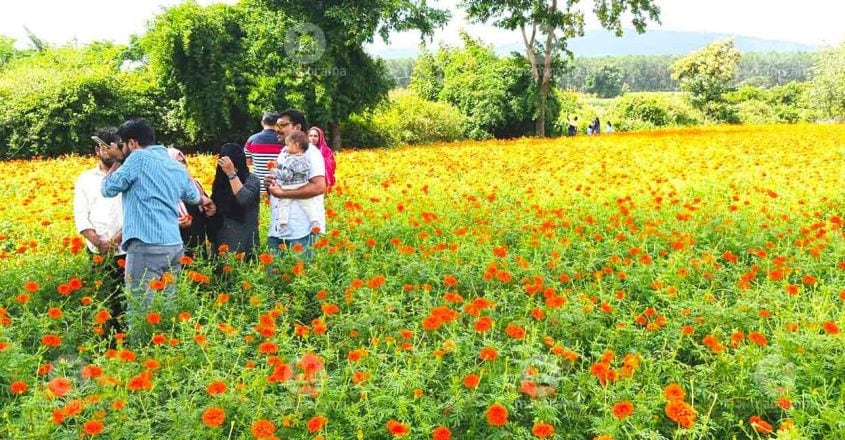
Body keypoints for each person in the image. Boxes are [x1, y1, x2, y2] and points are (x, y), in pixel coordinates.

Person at [101, 118, 215, 323]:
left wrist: (118, 161)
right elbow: (192, 196)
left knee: (140, 306)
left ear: (133, 143)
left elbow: (108, 189)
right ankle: (166, 348)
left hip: (146, 244)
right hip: (173, 244)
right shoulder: (175, 165)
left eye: (123, 144)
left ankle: (141, 351)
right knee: (168, 303)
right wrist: (204, 200)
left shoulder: (137, 159)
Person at [74, 128, 125, 337]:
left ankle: (125, 338)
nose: (108, 150)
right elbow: (80, 214)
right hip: (96, 251)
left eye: (113, 145)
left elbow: (132, 213)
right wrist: (98, 241)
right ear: (97, 150)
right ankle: (105, 340)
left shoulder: (125, 177)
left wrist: (115, 240)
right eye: (104, 146)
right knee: (102, 297)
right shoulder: (85, 179)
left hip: (124, 249)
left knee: (124, 298)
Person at [265, 109, 326, 255]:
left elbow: (318, 187)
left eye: (282, 125)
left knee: (301, 276)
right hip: (279, 227)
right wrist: (270, 185)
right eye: (276, 126)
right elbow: (282, 183)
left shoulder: (310, 153)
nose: (277, 130)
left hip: (301, 229)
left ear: (297, 128)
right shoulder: (285, 152)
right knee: (274, 275)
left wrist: (283, 193)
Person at [207, 143, 261, 259]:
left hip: (244, 240)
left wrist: (231, 174)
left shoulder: (252, 179)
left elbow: (243, 198)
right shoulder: (221, 182)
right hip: (222, 240)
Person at [271, 131, 322, 234]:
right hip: (302, 184)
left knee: (283, 204)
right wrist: (279, 165)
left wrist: (274, 170)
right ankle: (315, 221)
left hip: (289, 186)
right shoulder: (305, 158)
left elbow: (287, 175)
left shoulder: (290, 159)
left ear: (296, 145)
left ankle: (283, 225)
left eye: (287, 145)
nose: (286, 148)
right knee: (308, 205)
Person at [168, 148, 209, 259]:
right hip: (176, 242)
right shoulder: (164, 189)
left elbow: (206, 208)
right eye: (177, 162)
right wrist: (175, 223)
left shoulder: (194, 185)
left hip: (197, 239)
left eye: (183, 162)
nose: (182, 166)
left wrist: (210, 209)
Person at [244, 111, 283, 191]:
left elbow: (248, 163)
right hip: (278, 188)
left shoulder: (251, 140)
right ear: (277, 124)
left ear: (262, 123)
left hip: (257, 188)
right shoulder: (284, 140)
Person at [308, 126, 336, 191]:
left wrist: (319, 161)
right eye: (311, 136)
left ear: (320, 137)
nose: (312, 138)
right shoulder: (304, 150)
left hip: (322, 180)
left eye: (315, 136)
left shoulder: (326, 150)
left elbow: (332, 164)